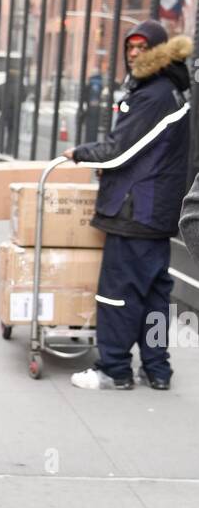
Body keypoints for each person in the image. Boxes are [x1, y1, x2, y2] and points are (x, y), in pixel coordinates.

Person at [64, 19, 192, 390]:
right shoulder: (168, 91)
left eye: (142, 47)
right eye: (130, 47)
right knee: (154, 295)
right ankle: (157, 369)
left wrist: (80, 154)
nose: (134, 53)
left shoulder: (152, 95)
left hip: (135, 211)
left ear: (158, 51)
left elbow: (120, 151)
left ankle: (114, 370)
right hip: (155, 213)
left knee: (118, 294)